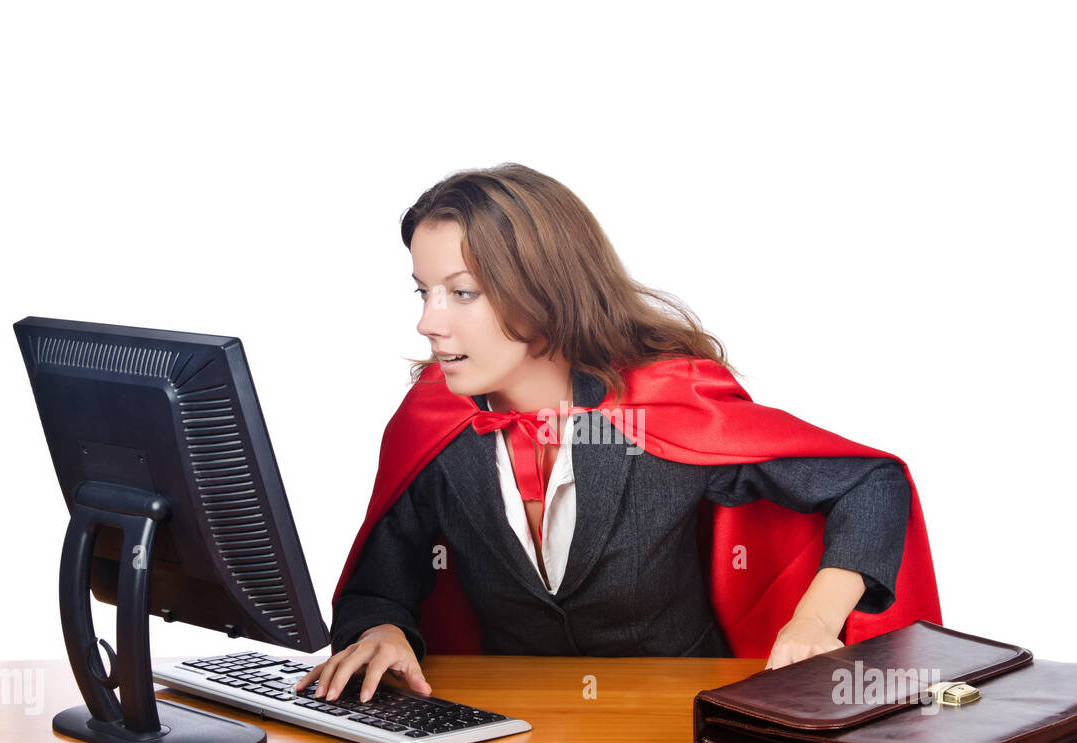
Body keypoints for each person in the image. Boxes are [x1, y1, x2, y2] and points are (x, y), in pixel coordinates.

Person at [298, 164, 940, 704]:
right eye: (423, 292)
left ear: (543, 293)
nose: (427, 323)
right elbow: (379, 584)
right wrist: (381, 628)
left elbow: (868, 482)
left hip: (681, 724)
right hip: (503, 739)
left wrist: (814, 619)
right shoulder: (432, 424)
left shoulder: (668, 407)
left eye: (461, 293)